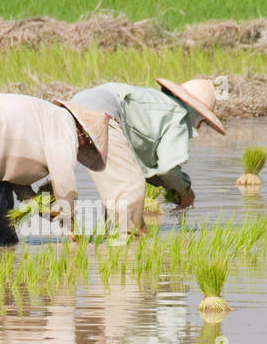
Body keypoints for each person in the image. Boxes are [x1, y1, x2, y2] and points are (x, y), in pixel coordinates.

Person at [0, 93, 109, 246]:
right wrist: (70, 223)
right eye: (87, 145)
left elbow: (15, 173)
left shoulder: (47, 123)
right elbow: (65, 182)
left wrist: (36, 204)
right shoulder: (65, 126)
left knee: (2, 227)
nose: (83, 148)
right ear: (85, 136)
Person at [67, 77, 226, 235]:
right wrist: (185, 192)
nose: (199, 126)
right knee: (131, 186)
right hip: (102, 113)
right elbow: (168, 169)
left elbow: (138, 162)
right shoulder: (179, 116)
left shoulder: (155, 105)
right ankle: (129, 246)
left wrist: (165, 184)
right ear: (197, 114)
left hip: (72, 106)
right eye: (203, 122)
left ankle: (66, 216)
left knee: (118, 187)